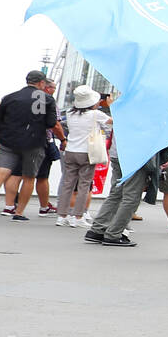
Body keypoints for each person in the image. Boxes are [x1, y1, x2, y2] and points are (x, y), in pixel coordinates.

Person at [0, 70, 65, 223]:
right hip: (34, 142)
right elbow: (51, 123)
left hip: (9, 141)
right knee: (29, 177)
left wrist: (3, 136)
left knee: (2, 172)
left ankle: (5, 204)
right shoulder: (47, 99)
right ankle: (19, 212)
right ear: (42, 83)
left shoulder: (10, 97)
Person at [84, 146, 168, 247]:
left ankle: (98, 229)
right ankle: (114, 234)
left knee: (116, 193)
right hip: (136, 155)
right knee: (131, 197)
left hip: (118, 152)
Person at [56, 84, 110, 229]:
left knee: (68, 184)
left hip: (71, 151)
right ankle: (78, 216)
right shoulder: (96, 115)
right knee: (84, 185)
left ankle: (62, 216)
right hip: (87, 152)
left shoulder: (69, 113)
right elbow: (112, 122)